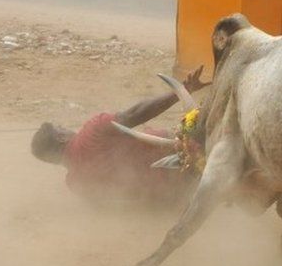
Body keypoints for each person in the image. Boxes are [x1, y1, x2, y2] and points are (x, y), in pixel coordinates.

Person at [31, 67, 206, 207]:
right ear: (61, 137)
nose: (67, 128)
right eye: (61, 127)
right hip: (191, 160)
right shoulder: (92, 131)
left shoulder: (75, 185)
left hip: (174, 198)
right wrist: (182, 90)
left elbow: (117, 202)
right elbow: (136, 113)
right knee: (207, 113)